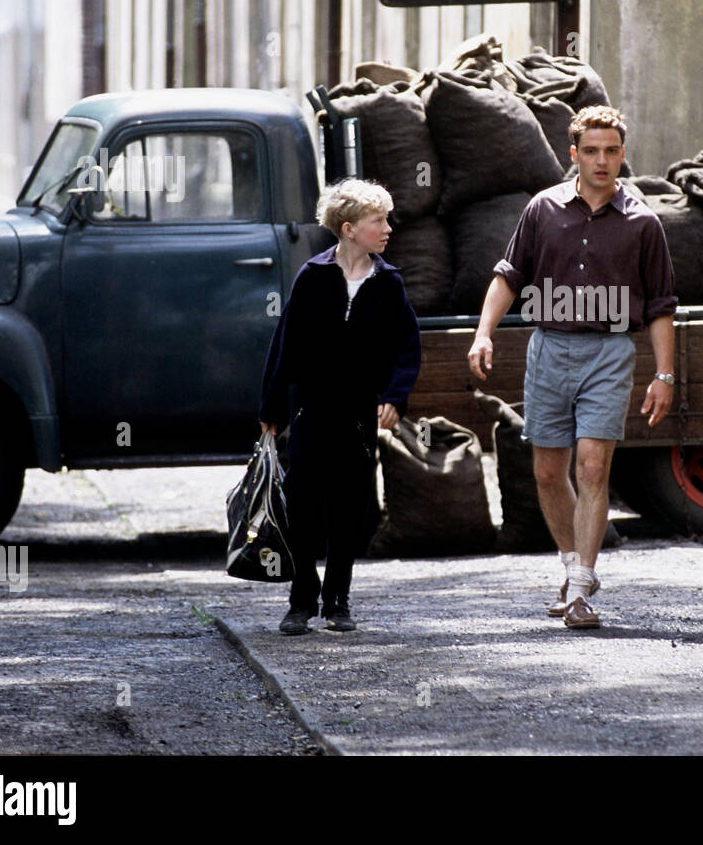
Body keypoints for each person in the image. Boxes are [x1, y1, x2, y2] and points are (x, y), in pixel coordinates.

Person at [468, 105, 678, 629]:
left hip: (609, 353)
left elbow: (660, 307)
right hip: (549, 348)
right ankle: (569, 566)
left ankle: (583, 585)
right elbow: (509, 276)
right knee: (546, 470)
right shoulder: (542, 209)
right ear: (574, 155)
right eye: (591, 151)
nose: (601, 161)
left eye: (611, 151)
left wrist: (664, 374)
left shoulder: (643, 223)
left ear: (623, 155)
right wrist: (483, 333)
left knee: (592, 466)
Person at [259, 178, 421, 635]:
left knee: (351, 509)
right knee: (302, 506)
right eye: (378, 221)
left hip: (358, 415)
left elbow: (406, 345)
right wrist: (271, 406)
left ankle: (338, 601)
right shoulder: (313, 276)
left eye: (387, 219)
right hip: (311, 412)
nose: (388, 228)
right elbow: (285, 344)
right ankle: (300, 600)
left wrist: (395, 396)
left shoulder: (388, 282)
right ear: (349, 229)